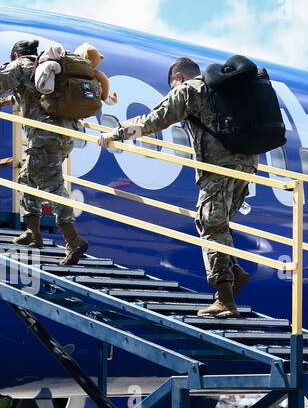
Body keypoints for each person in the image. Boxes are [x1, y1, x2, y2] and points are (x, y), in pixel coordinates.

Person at [98, 57, 255, 317]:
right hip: (247, 166)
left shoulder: (188, 90)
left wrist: (116, 133)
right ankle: (236, 272)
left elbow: (154, 119)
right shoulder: (222, 91)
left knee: (209, 225)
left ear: (178, 78)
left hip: (218, 169)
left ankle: (225, 300)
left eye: (171, 84)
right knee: (220, 224)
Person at [0, 43, 90, 266]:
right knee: (26, 180)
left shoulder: (22, 66)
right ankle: (33, 233)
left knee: (53, 186)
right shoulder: (45, 67)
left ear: (14, 54)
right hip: (65, 134)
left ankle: (73, 240)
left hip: (45, 136)